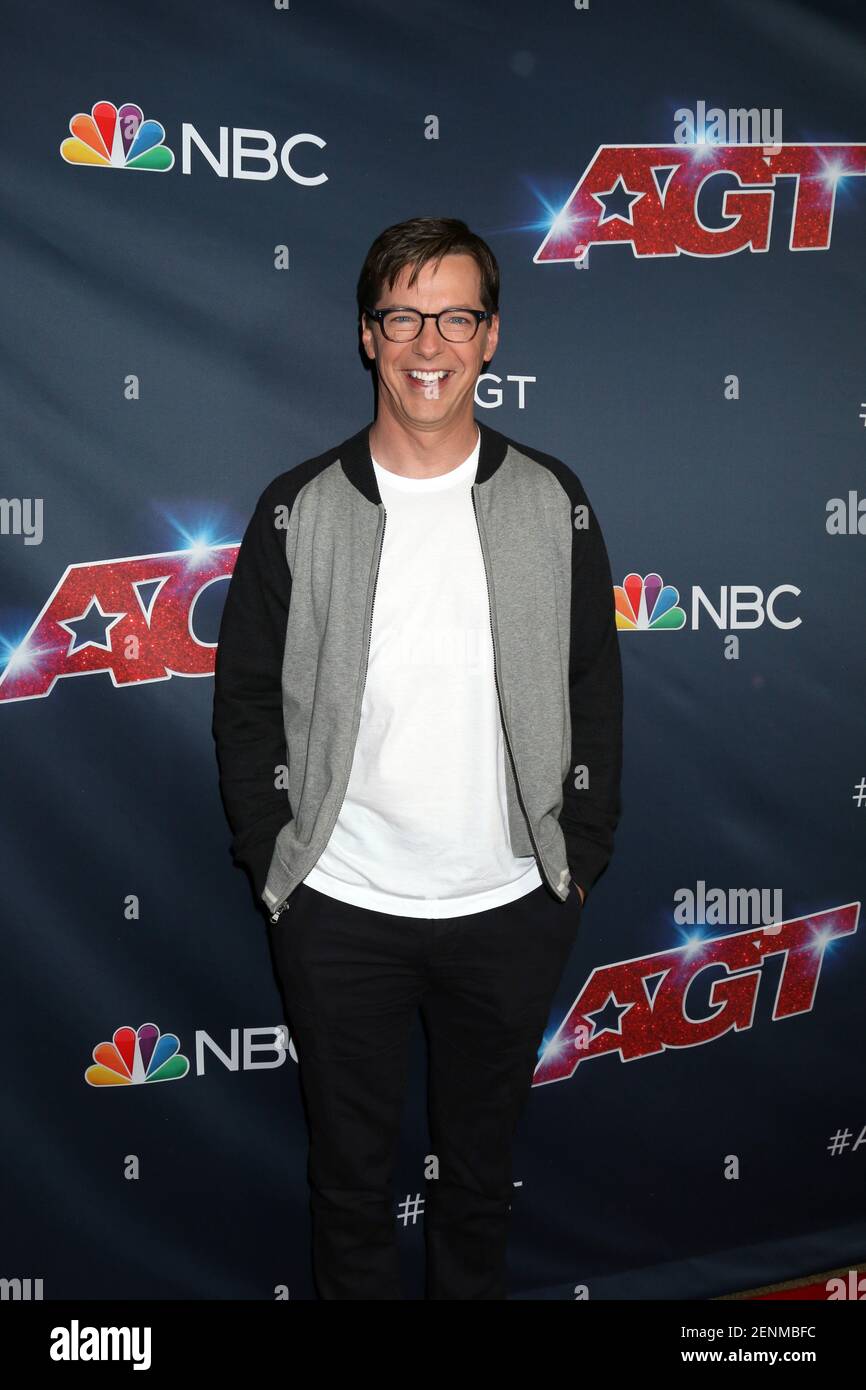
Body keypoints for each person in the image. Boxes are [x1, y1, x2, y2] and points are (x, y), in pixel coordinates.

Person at [212, 215, 623, 1300]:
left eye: (453, 316)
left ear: (490, 337)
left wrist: (573, 855)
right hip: (340, 905)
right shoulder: (298, 510)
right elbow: (246, 701)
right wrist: (277, 860)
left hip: (508, 905)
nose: (425, 342)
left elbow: (592, 686)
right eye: (402, 315)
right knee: (348, 1192)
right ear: (366, 334)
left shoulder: (551, 500)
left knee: (476, 1190)